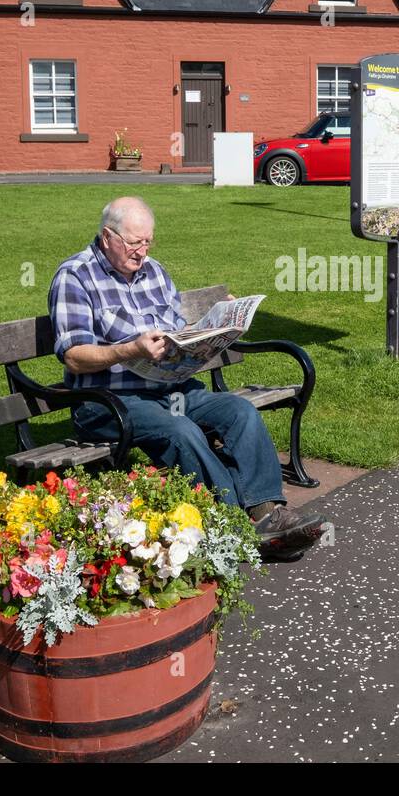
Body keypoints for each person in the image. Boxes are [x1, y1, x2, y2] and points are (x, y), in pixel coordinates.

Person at [48, 196, 325, 559]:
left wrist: (216, 324)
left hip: (171, 389)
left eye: (148, 241)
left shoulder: (155, 272)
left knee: (239, 411)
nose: (142, 252)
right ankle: (235, 528)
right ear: (106, 237)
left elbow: (179, 334)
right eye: (134, 242)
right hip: (109, 401)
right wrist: (130, 350)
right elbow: (73, 356)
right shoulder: (75, 276)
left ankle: (267, 512)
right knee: (181, 432)